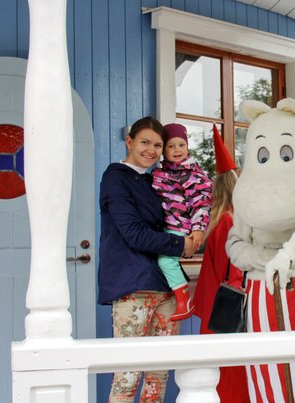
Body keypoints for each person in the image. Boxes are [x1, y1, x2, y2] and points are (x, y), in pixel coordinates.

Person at [98, 116, 193, 403]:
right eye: (144, 142)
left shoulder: (157, 181)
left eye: (158, 145)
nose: (151, 150)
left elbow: (180, 215)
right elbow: (135, 234)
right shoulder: (116, 178)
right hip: (133, 286)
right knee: (128, 374)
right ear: (129, 142)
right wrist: (181, 244)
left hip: (166, 288)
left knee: (158, 374)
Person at [194, 124, 250, 403]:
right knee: (231, 376)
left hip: (213, 307)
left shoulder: (217, 220)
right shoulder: (230, 221)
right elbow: (235, 269)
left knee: (214, 374)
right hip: (227, 311)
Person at [152, 123, 213, 321]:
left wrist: (199, 228)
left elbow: (201, 203)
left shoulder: (194, 175)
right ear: (163, 150)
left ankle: (184, 301)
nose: (177, 150)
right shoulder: (160, 173)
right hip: (164, 226)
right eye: (171, 146)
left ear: (187, 147)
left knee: (166, 260)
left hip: (181, 225)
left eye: (181, 145)